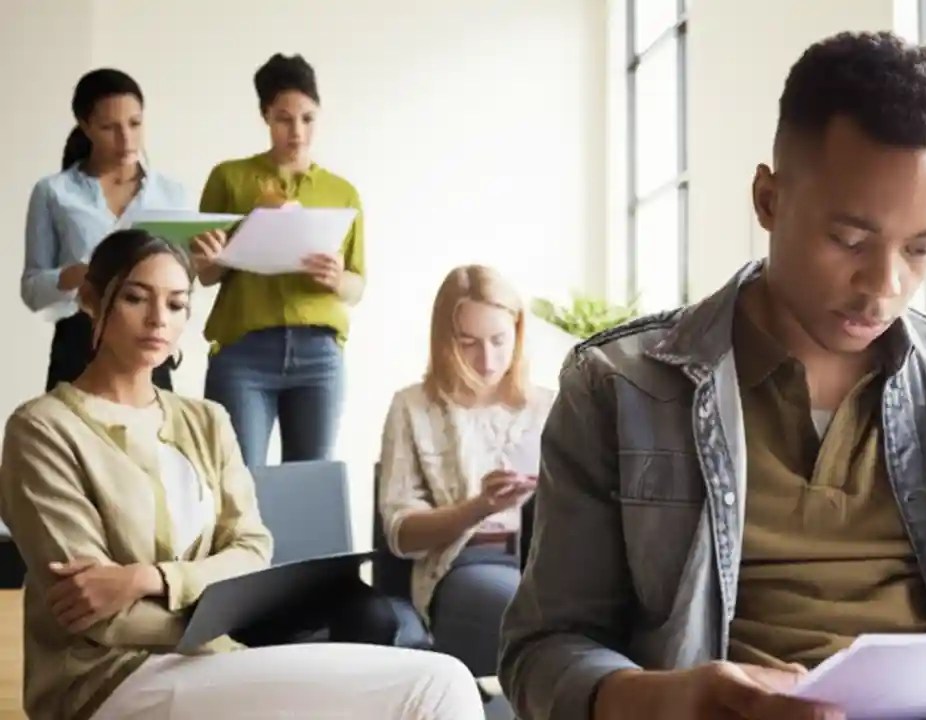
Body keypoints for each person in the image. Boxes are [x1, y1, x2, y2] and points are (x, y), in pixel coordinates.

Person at [500, 31, 926, 720]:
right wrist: (668, 700)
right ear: (767, 199)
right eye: (848, 241)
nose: (884, 286)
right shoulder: (619, 385)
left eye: (920, 249)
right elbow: (544, 649)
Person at [0, 229, 483, 720]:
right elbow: (94, 611)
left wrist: (153, 578)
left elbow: (252, 548)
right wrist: (214, 611)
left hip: (211, 660)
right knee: (436, 684)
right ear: (89, 299)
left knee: (440, 681)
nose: (157, 321)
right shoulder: (42, 429)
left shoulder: (206, 421)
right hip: (106, 684)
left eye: (176, 304)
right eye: (134, 298)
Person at [190, 53, 364, 467]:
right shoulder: (228, 179)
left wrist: (337, 278)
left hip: (319, 354)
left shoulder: (342, 193)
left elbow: (358, 285)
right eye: (284, 119)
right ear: (265, 116)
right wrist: (221, 254)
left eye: (308, 118)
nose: (297, 132)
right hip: (245, 353)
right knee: (238, 484)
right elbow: (206, 273)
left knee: (311, 486)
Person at [379, 265, 553, 677]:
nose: (488, 360)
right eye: (468, 342)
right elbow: (400, 534)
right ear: (444, 340)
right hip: (465, 564)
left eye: (499, 341)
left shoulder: (549, 405)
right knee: (532, 614)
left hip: (549, 561)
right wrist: (476, 508)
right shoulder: (413, 408)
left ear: (517, 334)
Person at [22, 68, 186, 392]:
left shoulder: (172, 195)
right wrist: (69, 277)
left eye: (135, 124)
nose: (126, 139)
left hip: (150, 341)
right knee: (69, 440)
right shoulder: (54, 192)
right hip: (79, 339)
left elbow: (182, 280)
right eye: (110, 127)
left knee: (150, 440)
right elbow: (32, 289)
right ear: (85, 126)